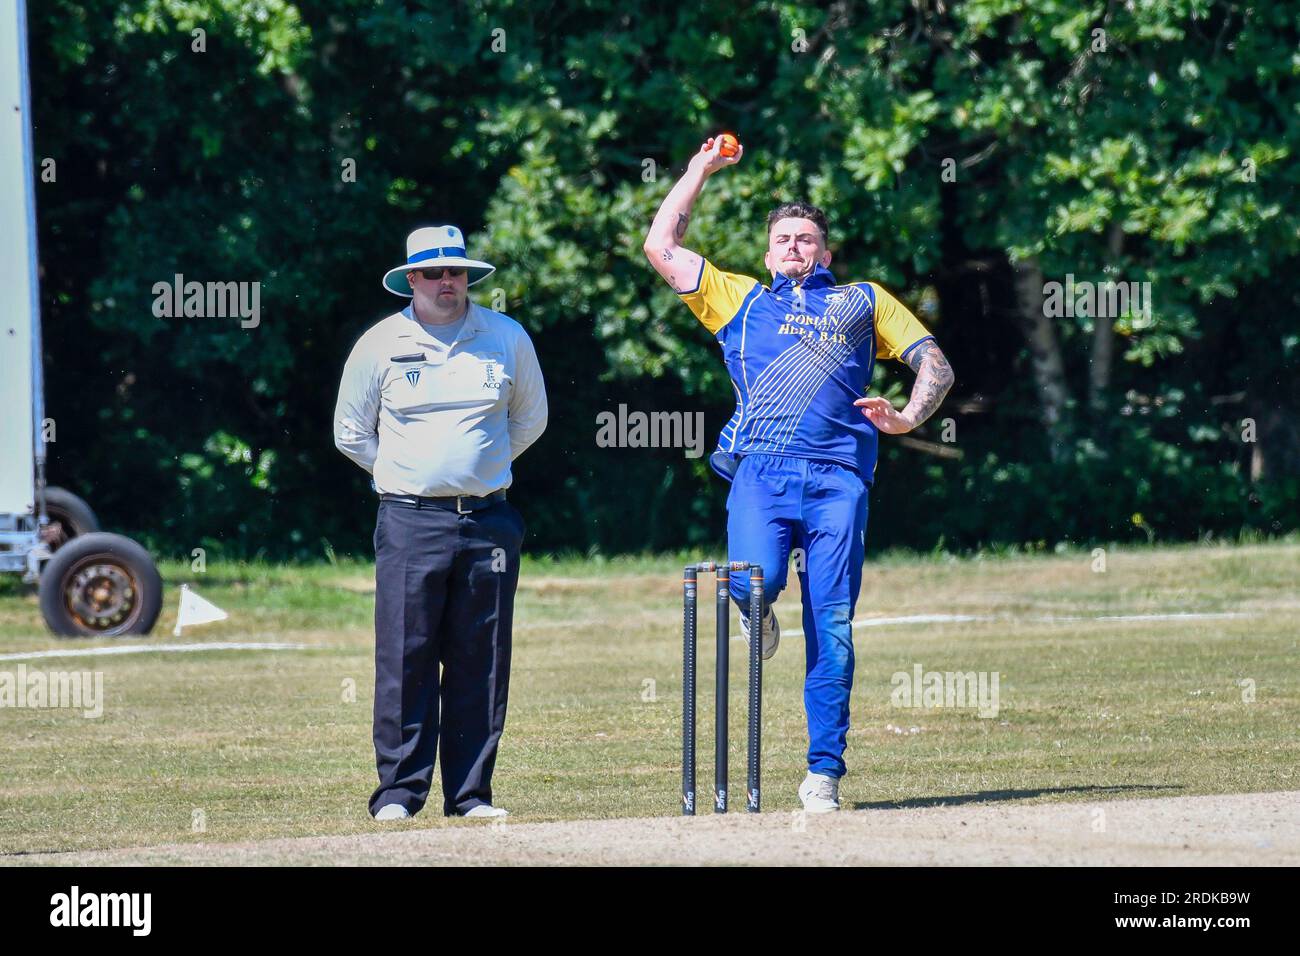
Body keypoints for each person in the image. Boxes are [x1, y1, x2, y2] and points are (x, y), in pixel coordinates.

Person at [642, 137, 954, 812]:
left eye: (807, 238)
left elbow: (936, 363)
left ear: (826, 252)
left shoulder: (861, 301)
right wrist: (699, 168)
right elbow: (660, 245)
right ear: (766, 252)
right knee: (755, 584)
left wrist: (907, 418)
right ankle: (758, 611)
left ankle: (823, 774)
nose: (793, 247)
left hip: (840, 477)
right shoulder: (739, 301)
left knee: (832, 623)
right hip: (761, 473)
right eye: (783, 238)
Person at [334, 225, 547, 820]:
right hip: (408, 520)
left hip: (489, 521)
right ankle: (399, 794)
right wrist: (409, 476)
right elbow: (350, 432)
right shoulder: (379, 343)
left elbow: (530, 420)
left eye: (457, 272)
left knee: (482, 656)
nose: (447, 282)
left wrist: (479, 470)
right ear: (411, 281)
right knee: (406, 656)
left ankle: (471, 795)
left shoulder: (505, 338)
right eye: (433, 273)